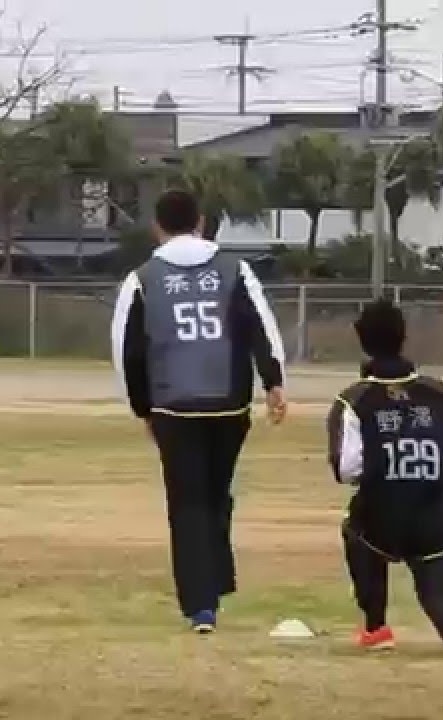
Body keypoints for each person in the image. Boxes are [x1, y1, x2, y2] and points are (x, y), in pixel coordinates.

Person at [110, 189, 287, 633]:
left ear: (157, 226)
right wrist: (274, 382)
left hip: (173, 406)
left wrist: (141, 407)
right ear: (202, 222)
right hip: (229, 404)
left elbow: (127, 349)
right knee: (216, 493)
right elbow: (260, 327)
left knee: (187, 502)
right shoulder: (234, 269)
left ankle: (200, 604)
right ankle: (216, 578)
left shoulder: (143, 278)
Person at [328, 298, 443, 659]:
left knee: (356, 534)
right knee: (439, 589)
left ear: (362, 341)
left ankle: (376, 627)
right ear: (404, 337)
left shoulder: (354, 399)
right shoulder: (440, 392)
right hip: (435, 509)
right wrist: (440, 460)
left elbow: (346, 468)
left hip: (380, 511)